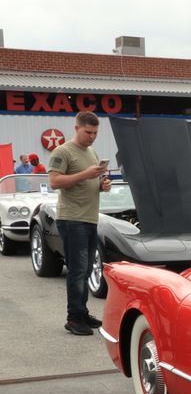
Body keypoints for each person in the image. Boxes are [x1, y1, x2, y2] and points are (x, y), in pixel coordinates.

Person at [48, 111, 112, 336]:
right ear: (76, 129)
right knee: (76, 270)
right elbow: (54, 182)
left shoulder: (92, 152)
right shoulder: (62, 151)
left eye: (95, 133)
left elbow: (89, 182)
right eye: (88, 132)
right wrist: (85, 174)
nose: (92, 137)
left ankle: (81, 311)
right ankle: (74, 318)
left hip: (89, 217)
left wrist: (101, 185)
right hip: (71, 218)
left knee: (85, 269)